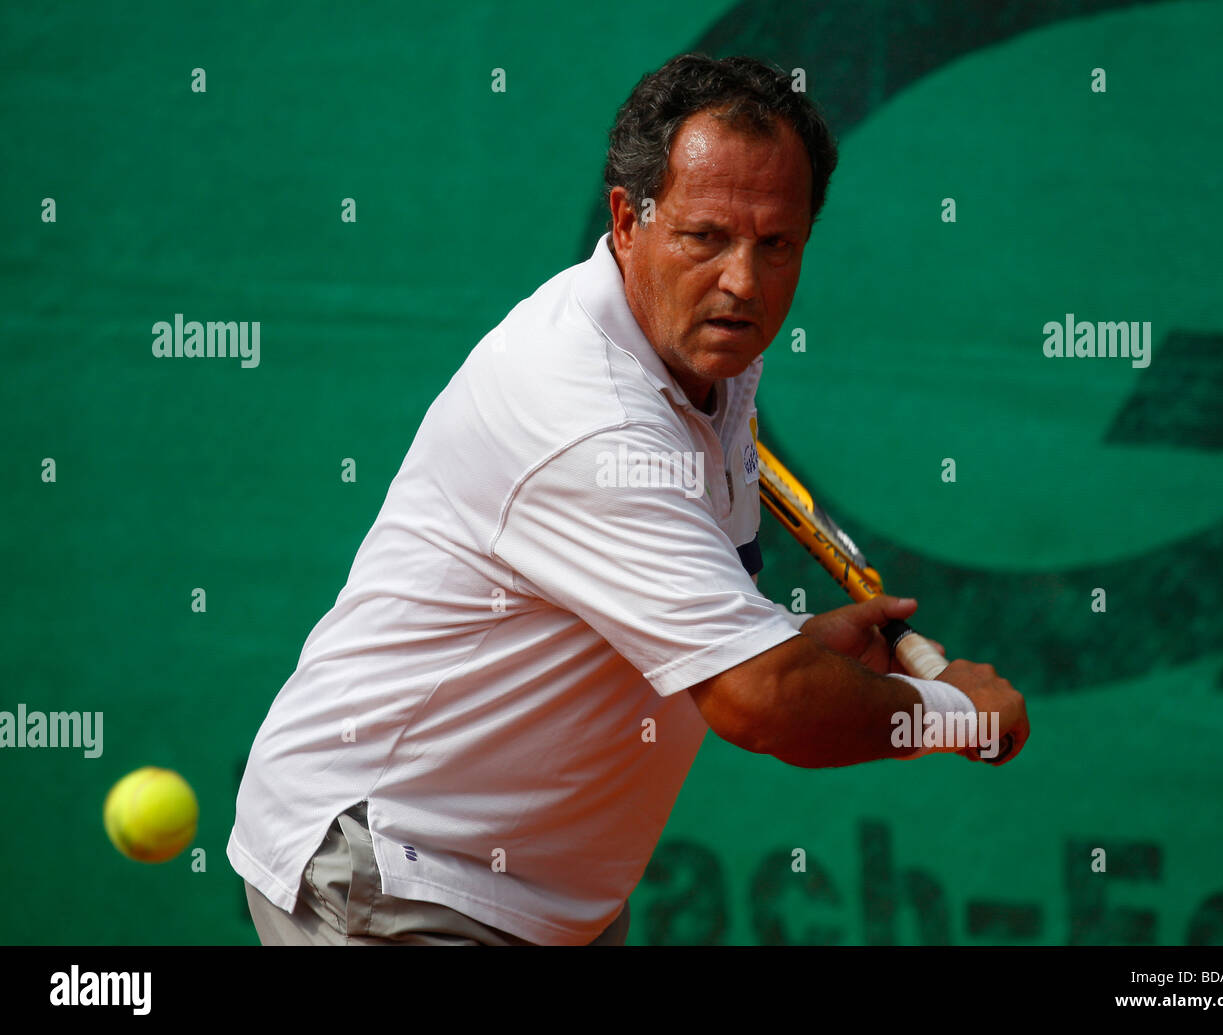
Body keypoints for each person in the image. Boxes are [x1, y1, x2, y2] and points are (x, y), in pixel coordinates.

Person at [228, 52, 1029, 947]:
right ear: (627, 219)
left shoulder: (707, 354)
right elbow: (757, 702)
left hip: (551, 897)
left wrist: (797, 650)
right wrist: (956, 715)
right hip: (396, 872)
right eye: (706, 237)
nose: (743, 282)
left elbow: (693, 645)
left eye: (778, 244)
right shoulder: (590, 421)